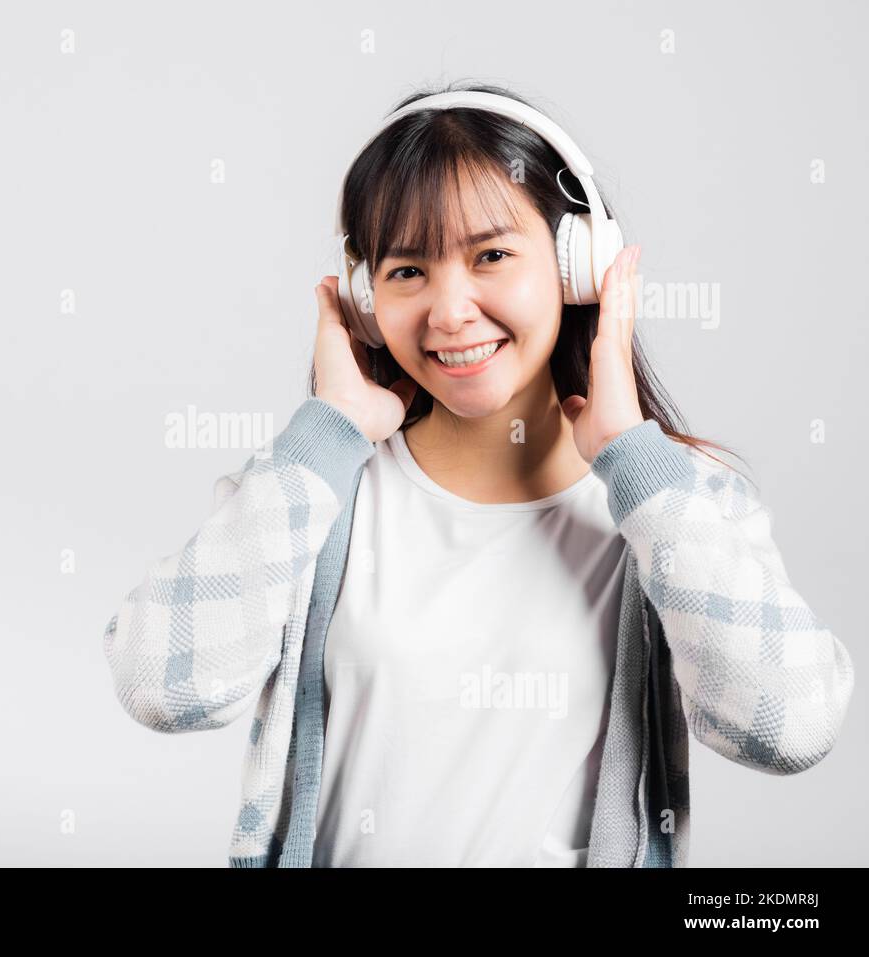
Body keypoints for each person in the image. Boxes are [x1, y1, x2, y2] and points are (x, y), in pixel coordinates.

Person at [102, 80, 855, 868]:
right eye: (406, 271)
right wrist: (324, 439)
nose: (450, 310)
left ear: (579, 266)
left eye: (491, 255)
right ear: (362, 301)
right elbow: (162, 688)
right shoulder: (310, 491)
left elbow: (788, 727)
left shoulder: (675, 503)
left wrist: (633, 456)